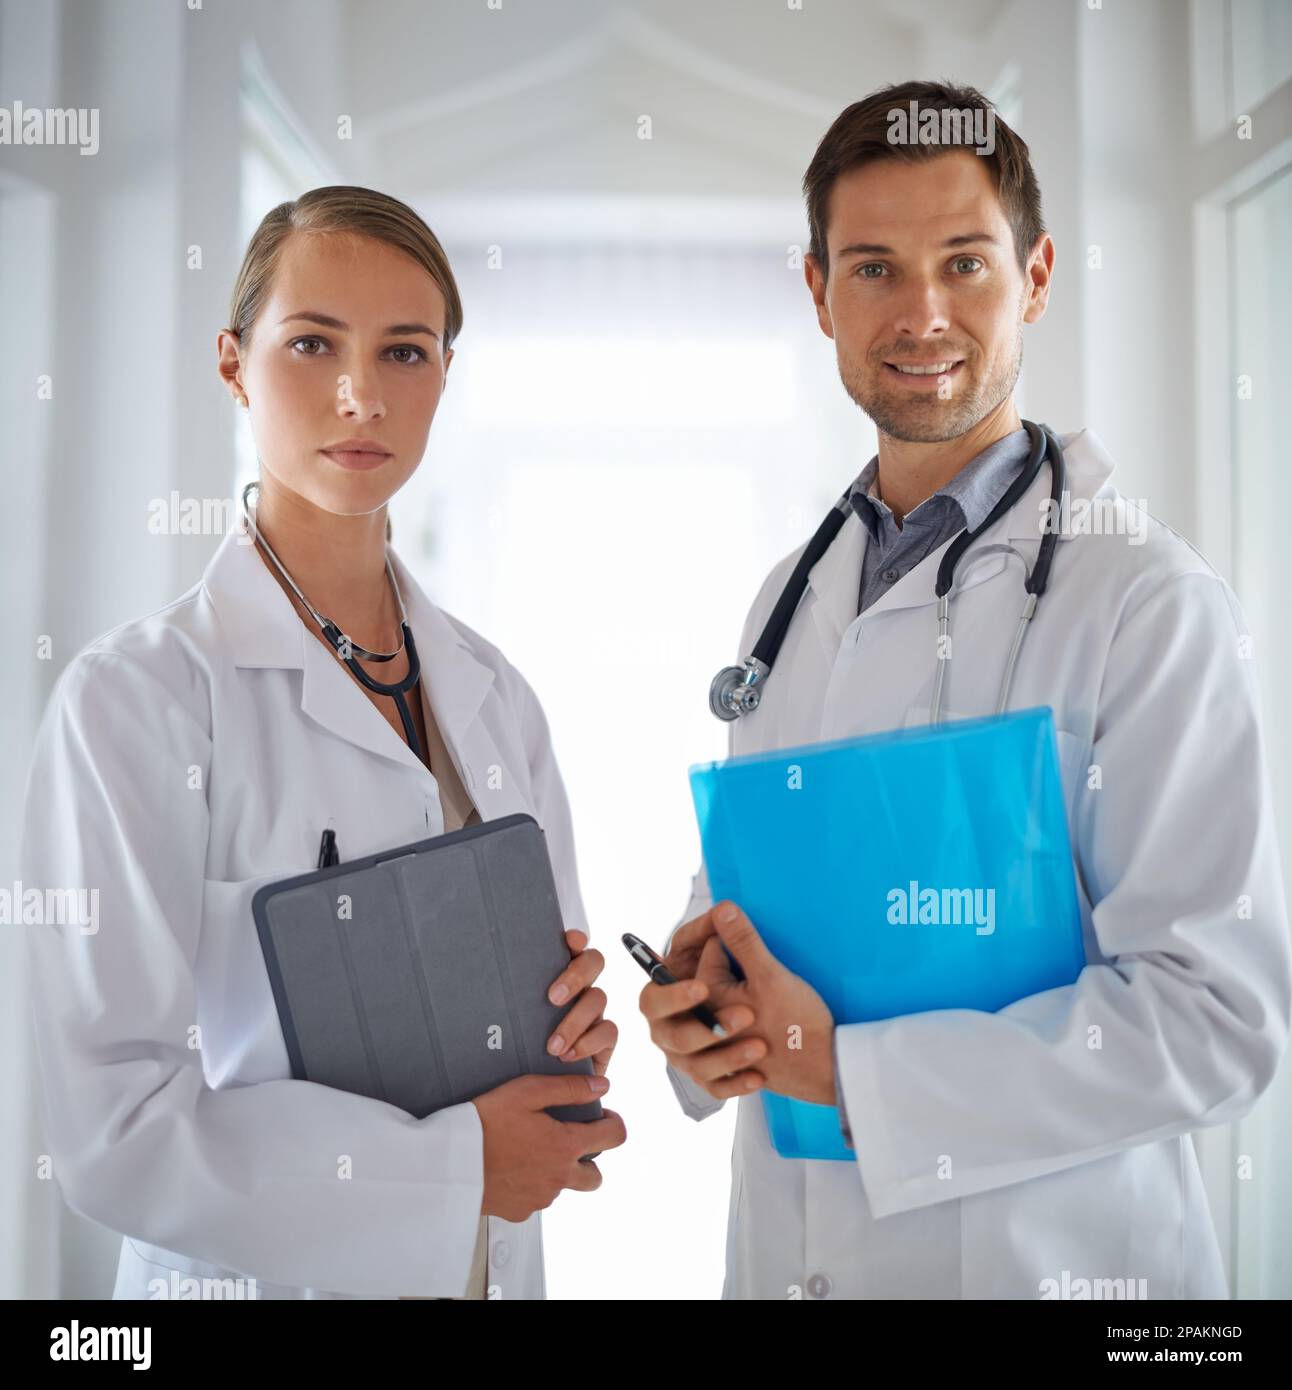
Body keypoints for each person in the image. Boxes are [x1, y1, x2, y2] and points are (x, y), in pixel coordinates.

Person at [640, 81, 1290, 1300]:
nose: (920, 313)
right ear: (817, 290)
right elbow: (755, 898)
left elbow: (1216, 1020)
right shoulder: (788, 601)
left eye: (963, 263)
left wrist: (849, 1070)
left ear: (1034, 276)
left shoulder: (1144, 600)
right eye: (873, 267)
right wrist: (700, 1004)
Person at [22, 185, 625, 1300]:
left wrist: (573, 1033)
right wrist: (454, 1169)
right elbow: (114, 1131)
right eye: (311, 343)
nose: (360, 395)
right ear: (232, 363)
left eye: (404, 351)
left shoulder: (495, 695)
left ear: (445, 375)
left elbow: (543, 1006)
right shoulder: (139, 700)